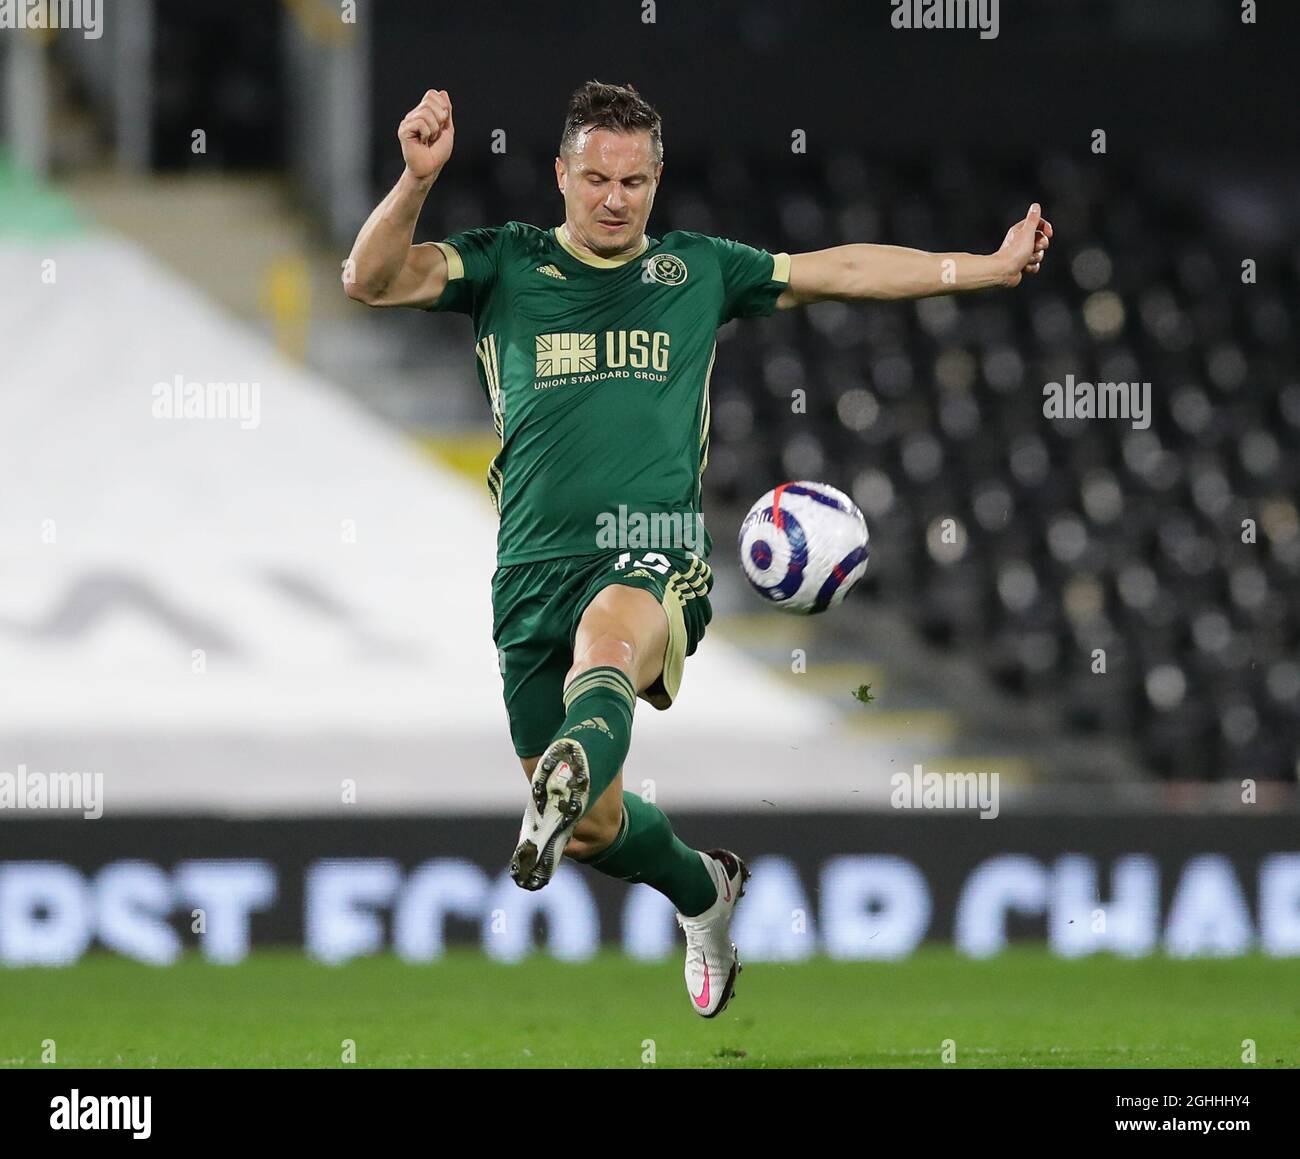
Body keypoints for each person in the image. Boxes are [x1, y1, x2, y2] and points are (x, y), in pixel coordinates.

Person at [344, 80, 1051, 1016]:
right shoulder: (505, 264)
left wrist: (983, 267)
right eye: (595, 178)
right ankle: (701, 891)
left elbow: (839, 270)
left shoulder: (698, 269)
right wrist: (415, 179)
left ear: (657, 180)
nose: (613, 198)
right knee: (595, 830)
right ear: (560, 175)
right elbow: (369, 278)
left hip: (655, 548)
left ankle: (571, 768)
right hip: (527, 571)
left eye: (633, 182)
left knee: (607, 643)